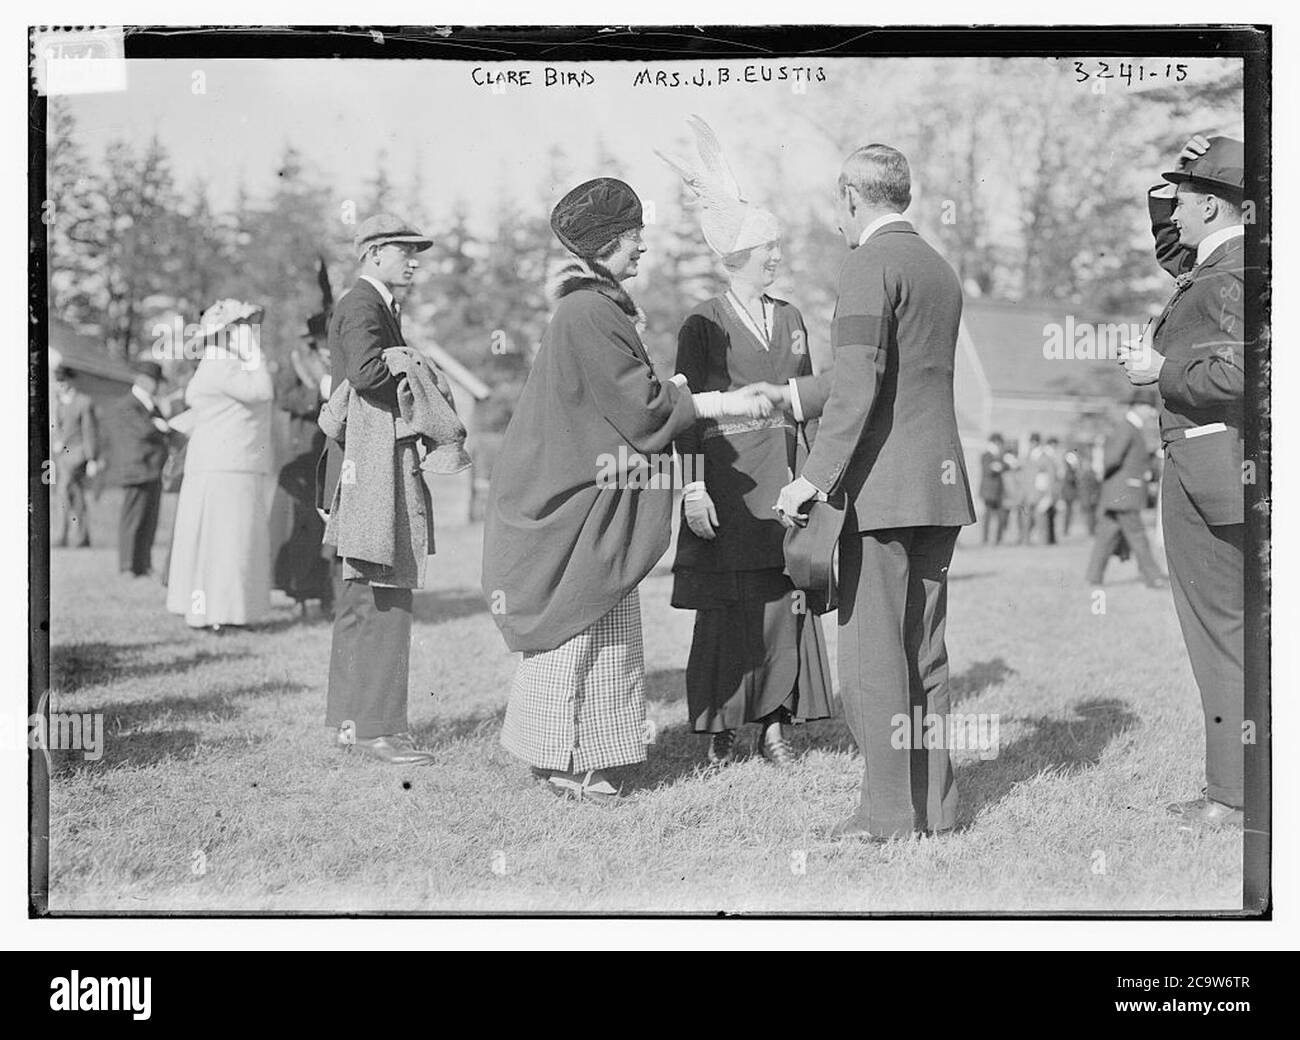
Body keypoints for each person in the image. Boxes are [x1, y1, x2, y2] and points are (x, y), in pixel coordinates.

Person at [482, 177, 774, 801]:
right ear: (610, 243)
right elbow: (640, 409)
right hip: (577, 500)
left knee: (605, 623)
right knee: (577, 624)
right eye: (635, 235)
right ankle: (559, 758)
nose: (643, 246)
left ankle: (592, 753)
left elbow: (628, 400)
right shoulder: (590, 313)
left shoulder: (591, 310)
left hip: (596, 494)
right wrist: (717, 400)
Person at [768, 144, 976, 841]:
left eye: (838, 205)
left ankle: (886, 816)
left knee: (872, 660)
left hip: (881, 490)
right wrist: (797, 394)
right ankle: (938, 809)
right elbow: (896, 376)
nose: (837, 220)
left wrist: (810, 478)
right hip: (938, 488)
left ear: (852, 196)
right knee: (925, 652)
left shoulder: (866, 264)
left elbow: (859, 386)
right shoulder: (937, 269)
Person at [660, 116, 833, 766]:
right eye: (767, 250)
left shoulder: (791, 318)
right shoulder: (701, 324)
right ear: (737, 258)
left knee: (782, 605)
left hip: (783, 485)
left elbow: (811, 402)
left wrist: (814, 478)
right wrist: (693, 490)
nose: (777, 257)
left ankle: (774, 727)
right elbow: (686, 413)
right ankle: (718, 727)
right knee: (726, 610)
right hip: (726, 487)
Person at [1121, 134, 1246, 829]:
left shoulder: (1231, 275)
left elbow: (1249, 373)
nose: (1172, 211)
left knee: (1220, 636)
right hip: (1230, 472)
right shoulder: (1230, 262)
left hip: (1209, 474)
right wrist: (1175, 175)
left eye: (1181, 198)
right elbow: (1178, 252)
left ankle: (1232, 797)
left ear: (1205, 206)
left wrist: (1158, 372)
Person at [319, 214, 439, 766]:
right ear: (372, 254)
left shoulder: (374, 305)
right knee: (384, 592)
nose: (414, 260)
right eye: (404, 251)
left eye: (418, 252)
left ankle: (350, 721)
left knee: (361, 597)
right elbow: (368, 375)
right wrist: (419, 369)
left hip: (359, 462)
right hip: (371, 465)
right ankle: (378, 730)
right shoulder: (363, 305)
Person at [166, 301, 275, 631]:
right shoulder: (225, 365)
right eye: (243, 326)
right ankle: (222, 613)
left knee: (216, 539)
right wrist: (255, 353)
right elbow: (263, 391)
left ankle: (210, 611)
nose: (250, 332)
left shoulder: (212, 365)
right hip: (229, 465)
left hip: (220, 464)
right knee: (230, 541)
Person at [273, 313, 334, 617]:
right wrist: (317, 395)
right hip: (306, 447)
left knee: (332, 526)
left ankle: (327, 591)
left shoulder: (337, 354)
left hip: (335, 447)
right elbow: (283, 397)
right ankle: (300, 592)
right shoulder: (298, 360)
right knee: (305, 524)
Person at [1083, 397, 1167, 589]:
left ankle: (1093, 576)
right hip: (1125, 492)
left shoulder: (1129, 427)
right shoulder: (1127, 428)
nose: (1152, 412)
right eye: (1148, 407)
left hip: (1117, 493)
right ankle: (1154, 577)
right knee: (1137, 536)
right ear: (1137, 406)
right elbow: (1111, 458)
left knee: (1105, 536)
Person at [111, 360, 170, 577]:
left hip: (152, 468)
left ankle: (143, 564)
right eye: (156, 381)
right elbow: (144, 431)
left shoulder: (150, 404)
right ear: (143, 380)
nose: (158, 386)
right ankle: (127, 565)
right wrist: (159, 426)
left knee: (149, 520)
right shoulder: (129, 403)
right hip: (136, 468)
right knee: (133, 519)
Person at [51, 365, 100, 548]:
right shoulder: (57, 402)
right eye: (58, 381)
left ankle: (60, 536)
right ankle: (81, 537)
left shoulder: (83, 402)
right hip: (61, 455)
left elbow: (89, 431)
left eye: (63, 380)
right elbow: (55, 428)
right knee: (76, 495)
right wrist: (56, 441)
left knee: (63, 491)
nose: (61, 384)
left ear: (71, 381)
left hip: (78, 453)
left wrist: (92, 458)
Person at [978, 432, 1008, 545]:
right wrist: (998, 467)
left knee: (1000, 516)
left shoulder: (999, 455)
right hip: (988, 491)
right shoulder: (987, 455)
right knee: (988, 517)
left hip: (998, 491)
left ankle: (997, 539)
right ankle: (986, 539)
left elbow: (1004, 466)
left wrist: (999, 466)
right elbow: (989, 470)